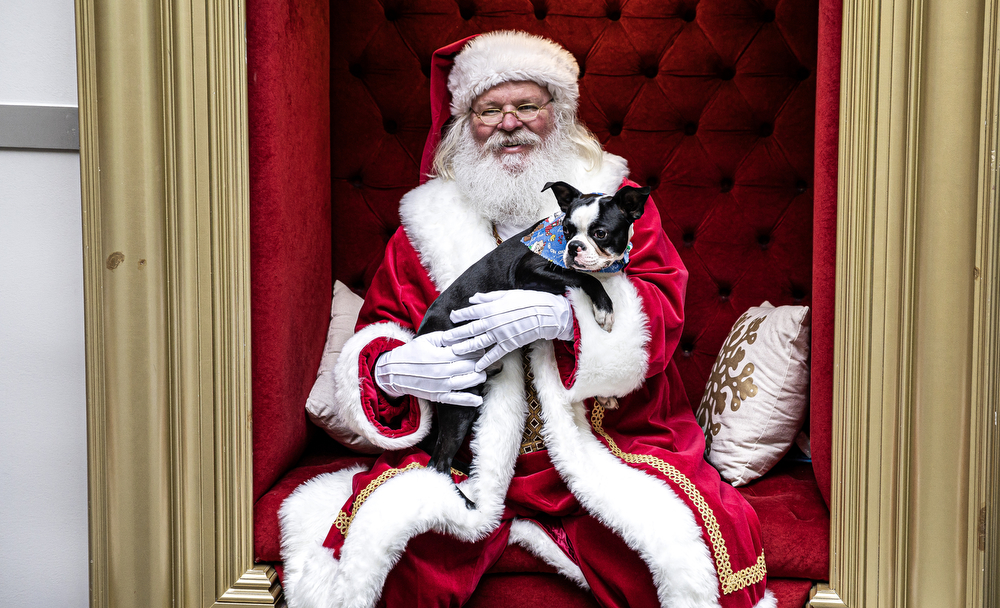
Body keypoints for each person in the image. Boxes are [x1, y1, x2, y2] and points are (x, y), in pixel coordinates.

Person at [279, 31, 773, 608]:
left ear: (557, 115)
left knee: (688, 554)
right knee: (378, 554)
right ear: (466, 123)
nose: (509, 123)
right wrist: (393, 370)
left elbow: (661, 304)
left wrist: (571, 321)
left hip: (603, 442)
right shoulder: (423, 227)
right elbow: (383, 323)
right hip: (466, 456)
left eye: (527, 106)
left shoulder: (614, 202)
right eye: (489, 109)